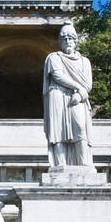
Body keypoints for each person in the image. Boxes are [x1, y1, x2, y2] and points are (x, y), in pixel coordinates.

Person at [42, 23, 94, 167]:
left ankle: (84, 165)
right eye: (64, 39)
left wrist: (81, 95)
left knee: (80, 128)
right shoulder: (54, 58)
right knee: (58, 131)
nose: (67, 41)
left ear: (76, 41)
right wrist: (79, 88)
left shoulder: (85, 61)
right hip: (58, 96)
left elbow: (88, 84)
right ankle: (60, 165)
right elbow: (58, 75)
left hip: (77, 100)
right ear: (60, 42)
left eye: (70, 38)